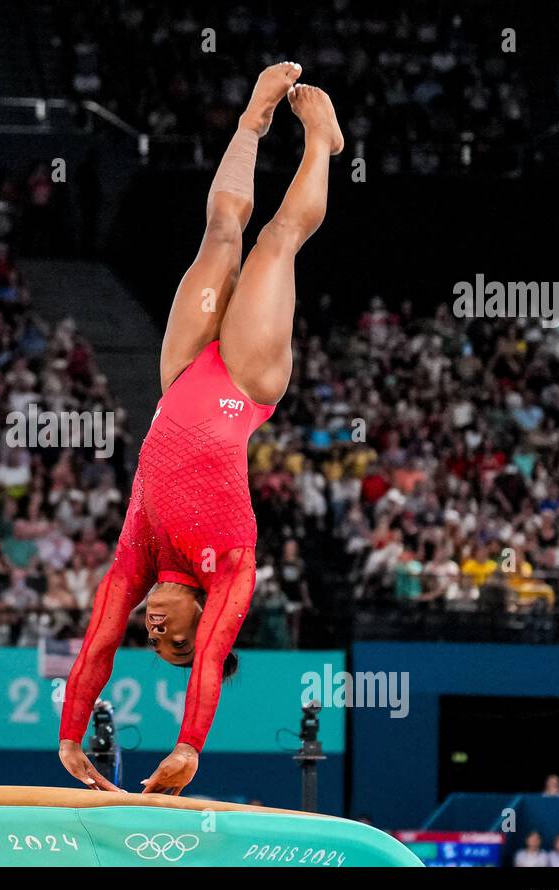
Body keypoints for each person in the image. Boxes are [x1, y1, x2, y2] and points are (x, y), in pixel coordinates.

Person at [58, 63, 344, 794]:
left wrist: (68, 735)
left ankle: (251, 123)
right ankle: (321, 142)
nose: (150, 626)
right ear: (194, 622)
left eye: (148, 635)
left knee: (220, 232)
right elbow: (211, 661)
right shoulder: (229, 576)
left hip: (181, 379)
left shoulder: (137, 555)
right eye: (165, 636)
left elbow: (94, 644)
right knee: (275, 242)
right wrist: (189, 746)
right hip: (246, 384)